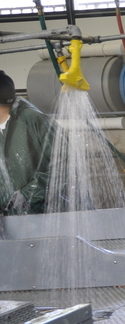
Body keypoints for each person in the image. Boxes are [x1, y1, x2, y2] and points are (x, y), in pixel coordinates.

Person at [0, 70, 53, 215]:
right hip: (11, 220)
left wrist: (29, 193)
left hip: (47, 217)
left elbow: (66, 165)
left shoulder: (33, 120)